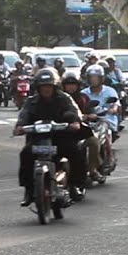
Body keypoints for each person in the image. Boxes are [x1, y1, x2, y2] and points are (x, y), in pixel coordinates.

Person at [13, 68, 86, 205]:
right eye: (43, 87)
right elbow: (24, 114)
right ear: (38, 88)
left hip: (60, 139)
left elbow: (73, 111)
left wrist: (74, 122)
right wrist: (20, 127)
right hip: (38, 140)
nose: (46, 89)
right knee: (25, 154)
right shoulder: (31, 101)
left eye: (49, 86)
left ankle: (75, 185)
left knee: (75, 152)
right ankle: (29, 189)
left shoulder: (64, 98)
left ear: (55, 87)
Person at [62, 72, 104, 184]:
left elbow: (92, 111)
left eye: (73, 84)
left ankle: (92, 170)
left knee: (94, 141)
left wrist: (90, 116)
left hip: (80, 130)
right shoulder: (59, 98)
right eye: (68, 84)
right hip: (61, 131)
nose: (71, 86)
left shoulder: (83, 98)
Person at [81, 65, 120, 140]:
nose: (93, 80)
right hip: (89, 121)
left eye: (96, 77)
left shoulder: (110, 91)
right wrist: (86, 116)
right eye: (91, 77)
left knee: (104, 128)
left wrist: (113, 109)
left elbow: (116, 104)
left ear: (102, 79)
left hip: (106, 120)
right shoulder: (83, 93)